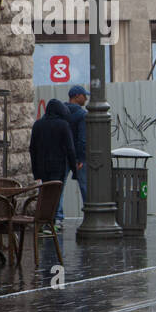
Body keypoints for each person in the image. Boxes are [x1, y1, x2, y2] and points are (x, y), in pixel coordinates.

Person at [30, 99, 80, 225]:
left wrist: (35, 171)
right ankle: (51, 222)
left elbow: (32, 149)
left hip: (42, 167)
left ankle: (42, 221)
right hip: (58, 167)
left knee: (45, 194)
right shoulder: (63, 125)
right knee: (55, 195)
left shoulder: (38, 125)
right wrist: (74, 170)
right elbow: (70, 149)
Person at [65, 85, 89, 218]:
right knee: (85, 186)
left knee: (58, 187)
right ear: (77, 96)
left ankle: (57, 217)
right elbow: (82, 139)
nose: (86, 98)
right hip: (77, 156)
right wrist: (80, 158)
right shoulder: (82, 114)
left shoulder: (61, 112)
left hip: (62, 154)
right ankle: (89, 213)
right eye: (84, 95)